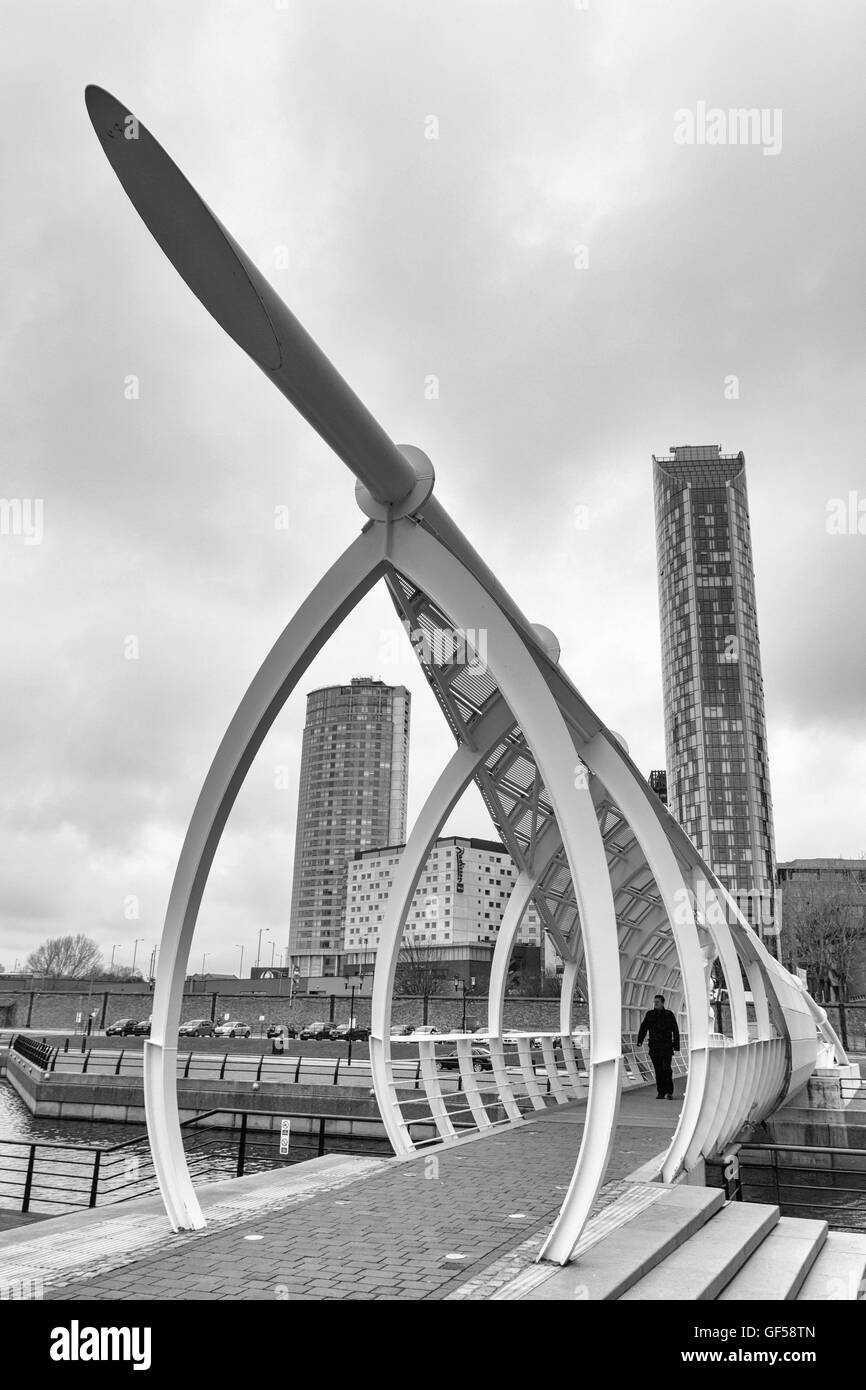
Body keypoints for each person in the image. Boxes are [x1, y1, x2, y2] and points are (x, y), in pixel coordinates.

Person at [636, 993, 680, 1099]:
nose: (655, 1004)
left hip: (666, 1047)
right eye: (654, 1002)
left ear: (662, 1003)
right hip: (654, 1047)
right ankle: (661, 1092)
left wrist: (676, 1046)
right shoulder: (650, 1014)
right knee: (658, 1070)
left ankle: (669, 1092)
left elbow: (675, 1030)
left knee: (666, 1069)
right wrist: (639, 1041)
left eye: (657, 1002)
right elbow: (644, 1028)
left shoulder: (669, 1014)